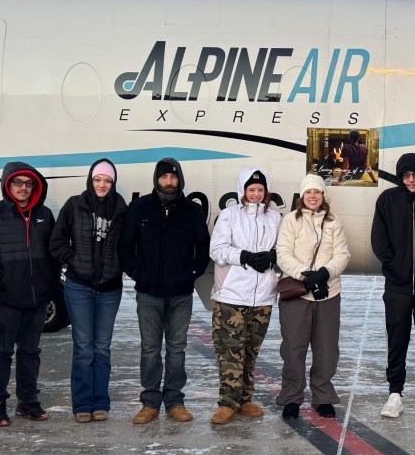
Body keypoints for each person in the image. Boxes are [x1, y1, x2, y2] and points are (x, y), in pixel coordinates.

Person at [118, 158, 210, 425]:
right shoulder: (139, 208)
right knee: (149, 349)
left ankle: (174, 402)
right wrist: (137, 273)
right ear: (156, 179)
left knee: (176, 349)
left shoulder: (191, 211)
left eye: (173, 178)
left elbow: (203, 247)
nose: (168, 183)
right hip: (149, 294)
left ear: (179, 179)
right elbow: (125, 246)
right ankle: (149, 402)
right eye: (164, 178)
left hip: (181, 294)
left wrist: (191, 274)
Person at [0, 162, 59, 427]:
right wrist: (1, 280)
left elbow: (53, 253)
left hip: (36, 299)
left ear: (34, 187)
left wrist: (48, 283)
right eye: (17, 183)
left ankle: (27, 401)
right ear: (8, 186)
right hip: (4, 300)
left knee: (30, 352)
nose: (23, 188)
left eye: (28, 183)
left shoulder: (44, 215)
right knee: (1, 352)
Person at [50, 159, 127, 423]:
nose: (102, 185)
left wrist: (119, 266)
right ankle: (82, 403)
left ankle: (100, 402)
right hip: (78, 286)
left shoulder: (121, 208)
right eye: (97, 179)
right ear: (90, 180)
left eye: (107, 180)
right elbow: (57, 242)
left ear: (113, 183)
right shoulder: (74, 205)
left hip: (109, 289)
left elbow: (127, 245)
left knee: (102, 347)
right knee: (83, 346)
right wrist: (73, 260)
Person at [208, 167, 281, 424]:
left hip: (262, 296)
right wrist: (244, 256)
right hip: (232, 294)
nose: (256, 194)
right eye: (251, 189)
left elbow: (283, 247)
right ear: (243, 191)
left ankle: (245, 399)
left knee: (251, 351)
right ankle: (227, 403)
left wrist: (274, 256)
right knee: (230, 352)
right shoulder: (229, 216)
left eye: (260, 190)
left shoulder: (275, 217)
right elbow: (216, 249)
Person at [275, 174, 350, 419]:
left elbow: (342, 254)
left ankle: (323, 396)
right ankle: (292, 397)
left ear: (323, 196)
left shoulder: (333, 222)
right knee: (293, 348)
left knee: (326, 348)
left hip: (328, 292)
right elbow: (282, 253)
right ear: (302, 196)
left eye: (317, 192)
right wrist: (305, 276)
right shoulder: (291, 221)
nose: (313, 196)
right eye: (309, 192)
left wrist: (325, 274)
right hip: (298, 293)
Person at [370, 153, 415, 420]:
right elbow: (379, 240)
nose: (411, 180)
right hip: (397, 287)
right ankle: (395, 394)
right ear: (400, 177)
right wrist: (394, 266)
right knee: (397, 341)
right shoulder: (387, 200)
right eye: (406, 176)